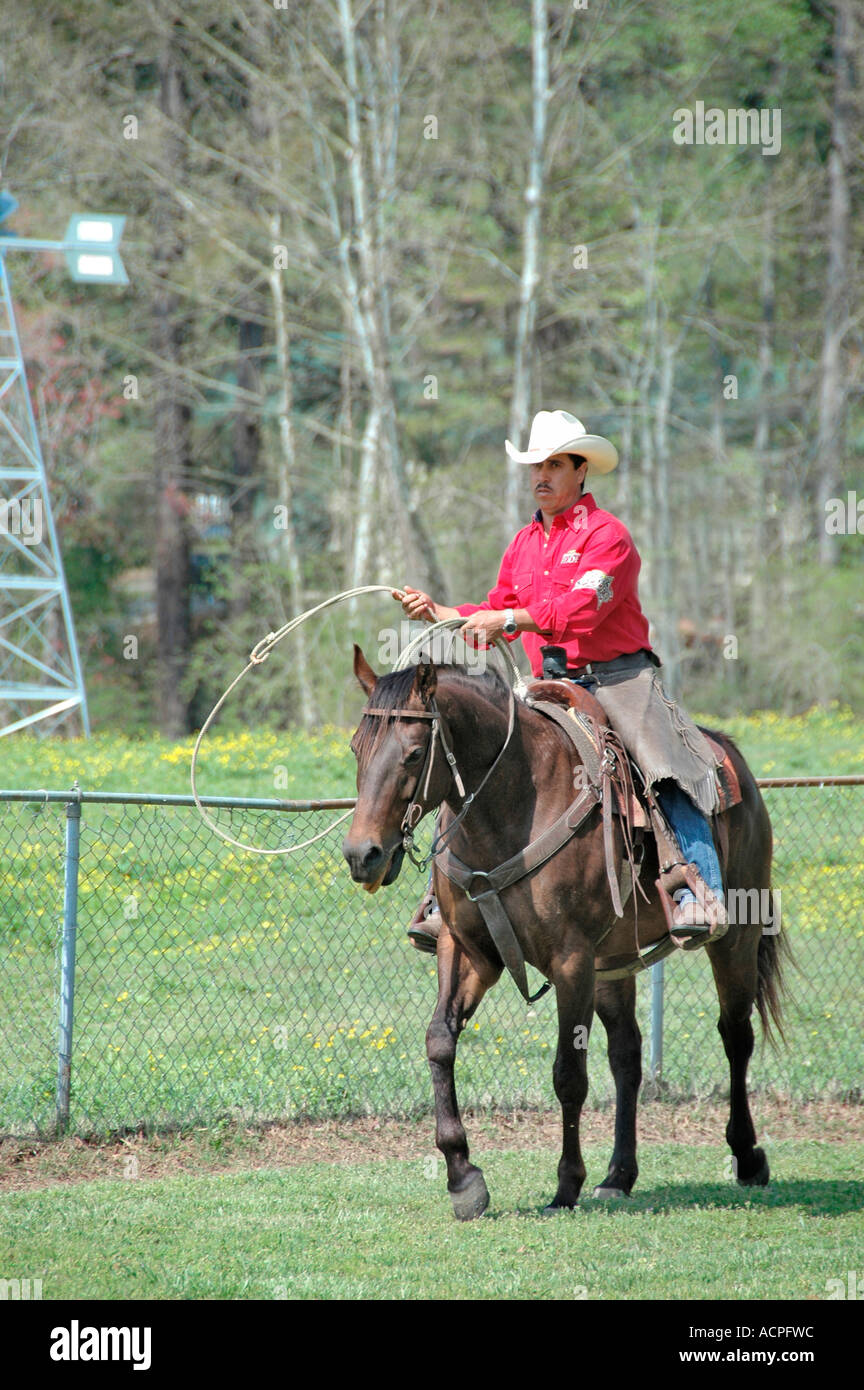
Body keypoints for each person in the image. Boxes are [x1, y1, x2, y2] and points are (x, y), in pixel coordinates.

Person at [394, 409, 727, 953]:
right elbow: (497, 613)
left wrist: (505, 620)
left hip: (619, 679)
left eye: (553, 464)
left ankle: (698, 890)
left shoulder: (609, 537)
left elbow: (580, 609)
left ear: (581, 471)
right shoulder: (523, 544)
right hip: (547, 682)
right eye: (534, 466)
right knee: (470, 752)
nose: (541, 476)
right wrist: (442, 613)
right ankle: (441, 893)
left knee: (662, 763)